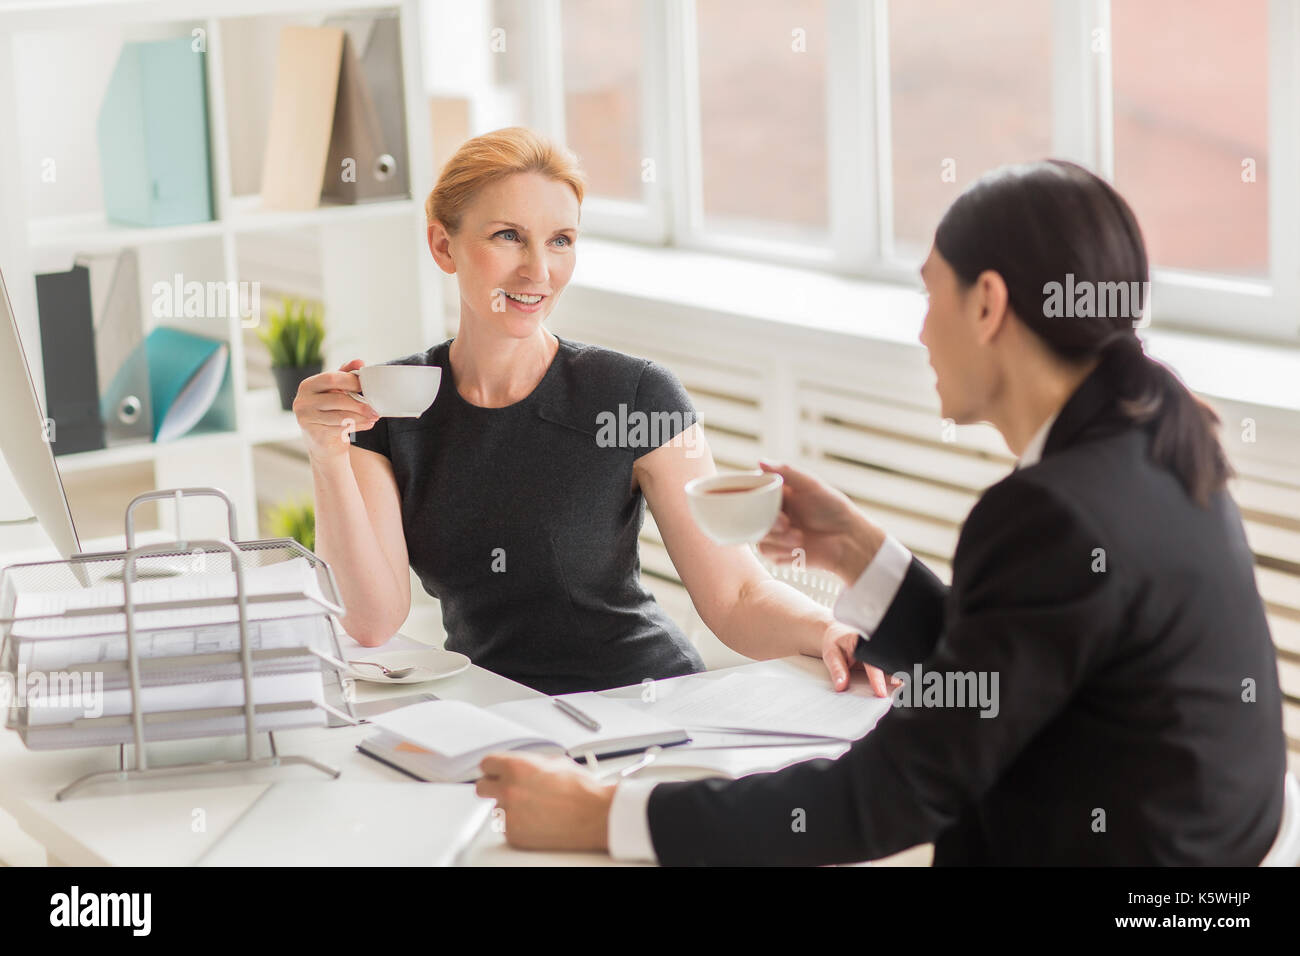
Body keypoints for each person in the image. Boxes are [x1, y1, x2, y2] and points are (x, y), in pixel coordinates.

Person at [474, 159, 1287, 865]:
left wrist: (600, 816)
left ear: (988, 305)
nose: (923, 333)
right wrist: (855, 552)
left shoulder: (1053, 511)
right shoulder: (1156, 430)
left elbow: (891, 794)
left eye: (931, 294)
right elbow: (1004, 676)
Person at [294, 127, 894, 697]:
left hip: (643, 704)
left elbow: (736, 594)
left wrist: (829, 630)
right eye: (508, 236)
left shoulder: (635, 396)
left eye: (561, 240)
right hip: (500, 719)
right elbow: (372, 622)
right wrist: (328, 453)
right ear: (443, 245)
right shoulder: (389, 409)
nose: (539, 271)